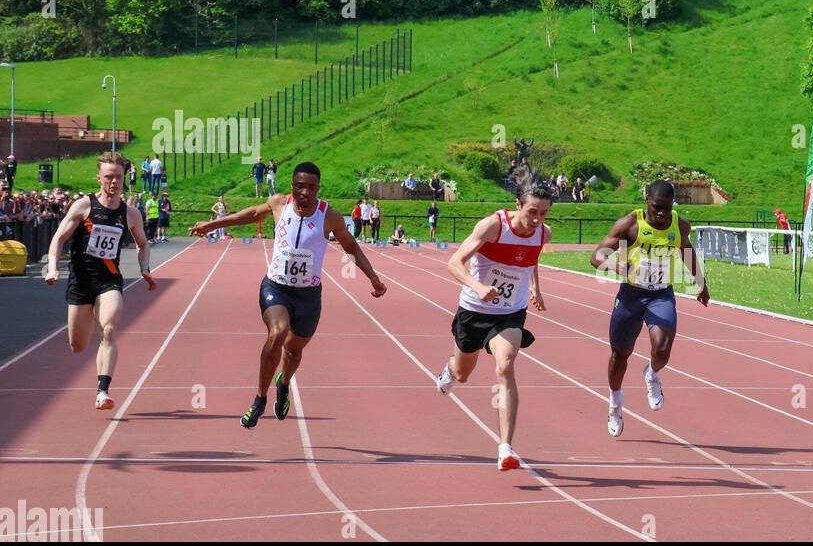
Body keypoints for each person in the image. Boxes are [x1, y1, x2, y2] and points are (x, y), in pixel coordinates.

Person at [189, 162, 387, 428]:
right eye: (300, 186)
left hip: (308, 296)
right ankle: (260, 399)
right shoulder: (279, 203)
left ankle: (283, 384)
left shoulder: (329, 216)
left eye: (311, 188)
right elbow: (249, 215)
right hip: (276, 286)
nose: (305, 192)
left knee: (293, 351)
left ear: (318, 189)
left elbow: (351, 246)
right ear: (293, 185)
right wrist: (213, 224)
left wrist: (373, 277)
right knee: (277, 332)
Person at [435, 166, 552, 471]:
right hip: (474, 310)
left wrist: (537, 289)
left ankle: (505, 448)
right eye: (532, 212)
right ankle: (449, 370)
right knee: (463, 373)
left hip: (509, 313)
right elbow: (454, 262)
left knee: (505, 366)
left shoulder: (543, 232)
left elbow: (530, 260)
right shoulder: (492, 226)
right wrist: (478, 286)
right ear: (518, 205)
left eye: (544, 213)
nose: (537, 220)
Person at [590, 180, 710, 437]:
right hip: (631, 295)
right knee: (620, 355)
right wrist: (613, 266)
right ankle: (614, 403)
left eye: (666, 208)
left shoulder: (679, 225)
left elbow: (687, 252)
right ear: (647, 200)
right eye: (657, 207)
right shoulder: (629, 224)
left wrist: (701, 284)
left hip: (661, 295)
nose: (661, 213)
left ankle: (652, 374)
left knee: (663, 349)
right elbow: (595, 256)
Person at [43, 152, 157, 410]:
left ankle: (102, 391)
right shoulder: (83, 206)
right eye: (109, 177)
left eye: (118, 176)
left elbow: (143, 244)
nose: (114, 181)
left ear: (125, 178)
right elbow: (59, 238)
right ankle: (90, 349)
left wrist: (145, 268)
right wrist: (52, 268)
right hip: (81, 282)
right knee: (77, 345)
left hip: (109, 281)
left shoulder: (131, 213)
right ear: (99, 178)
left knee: (108, 329)